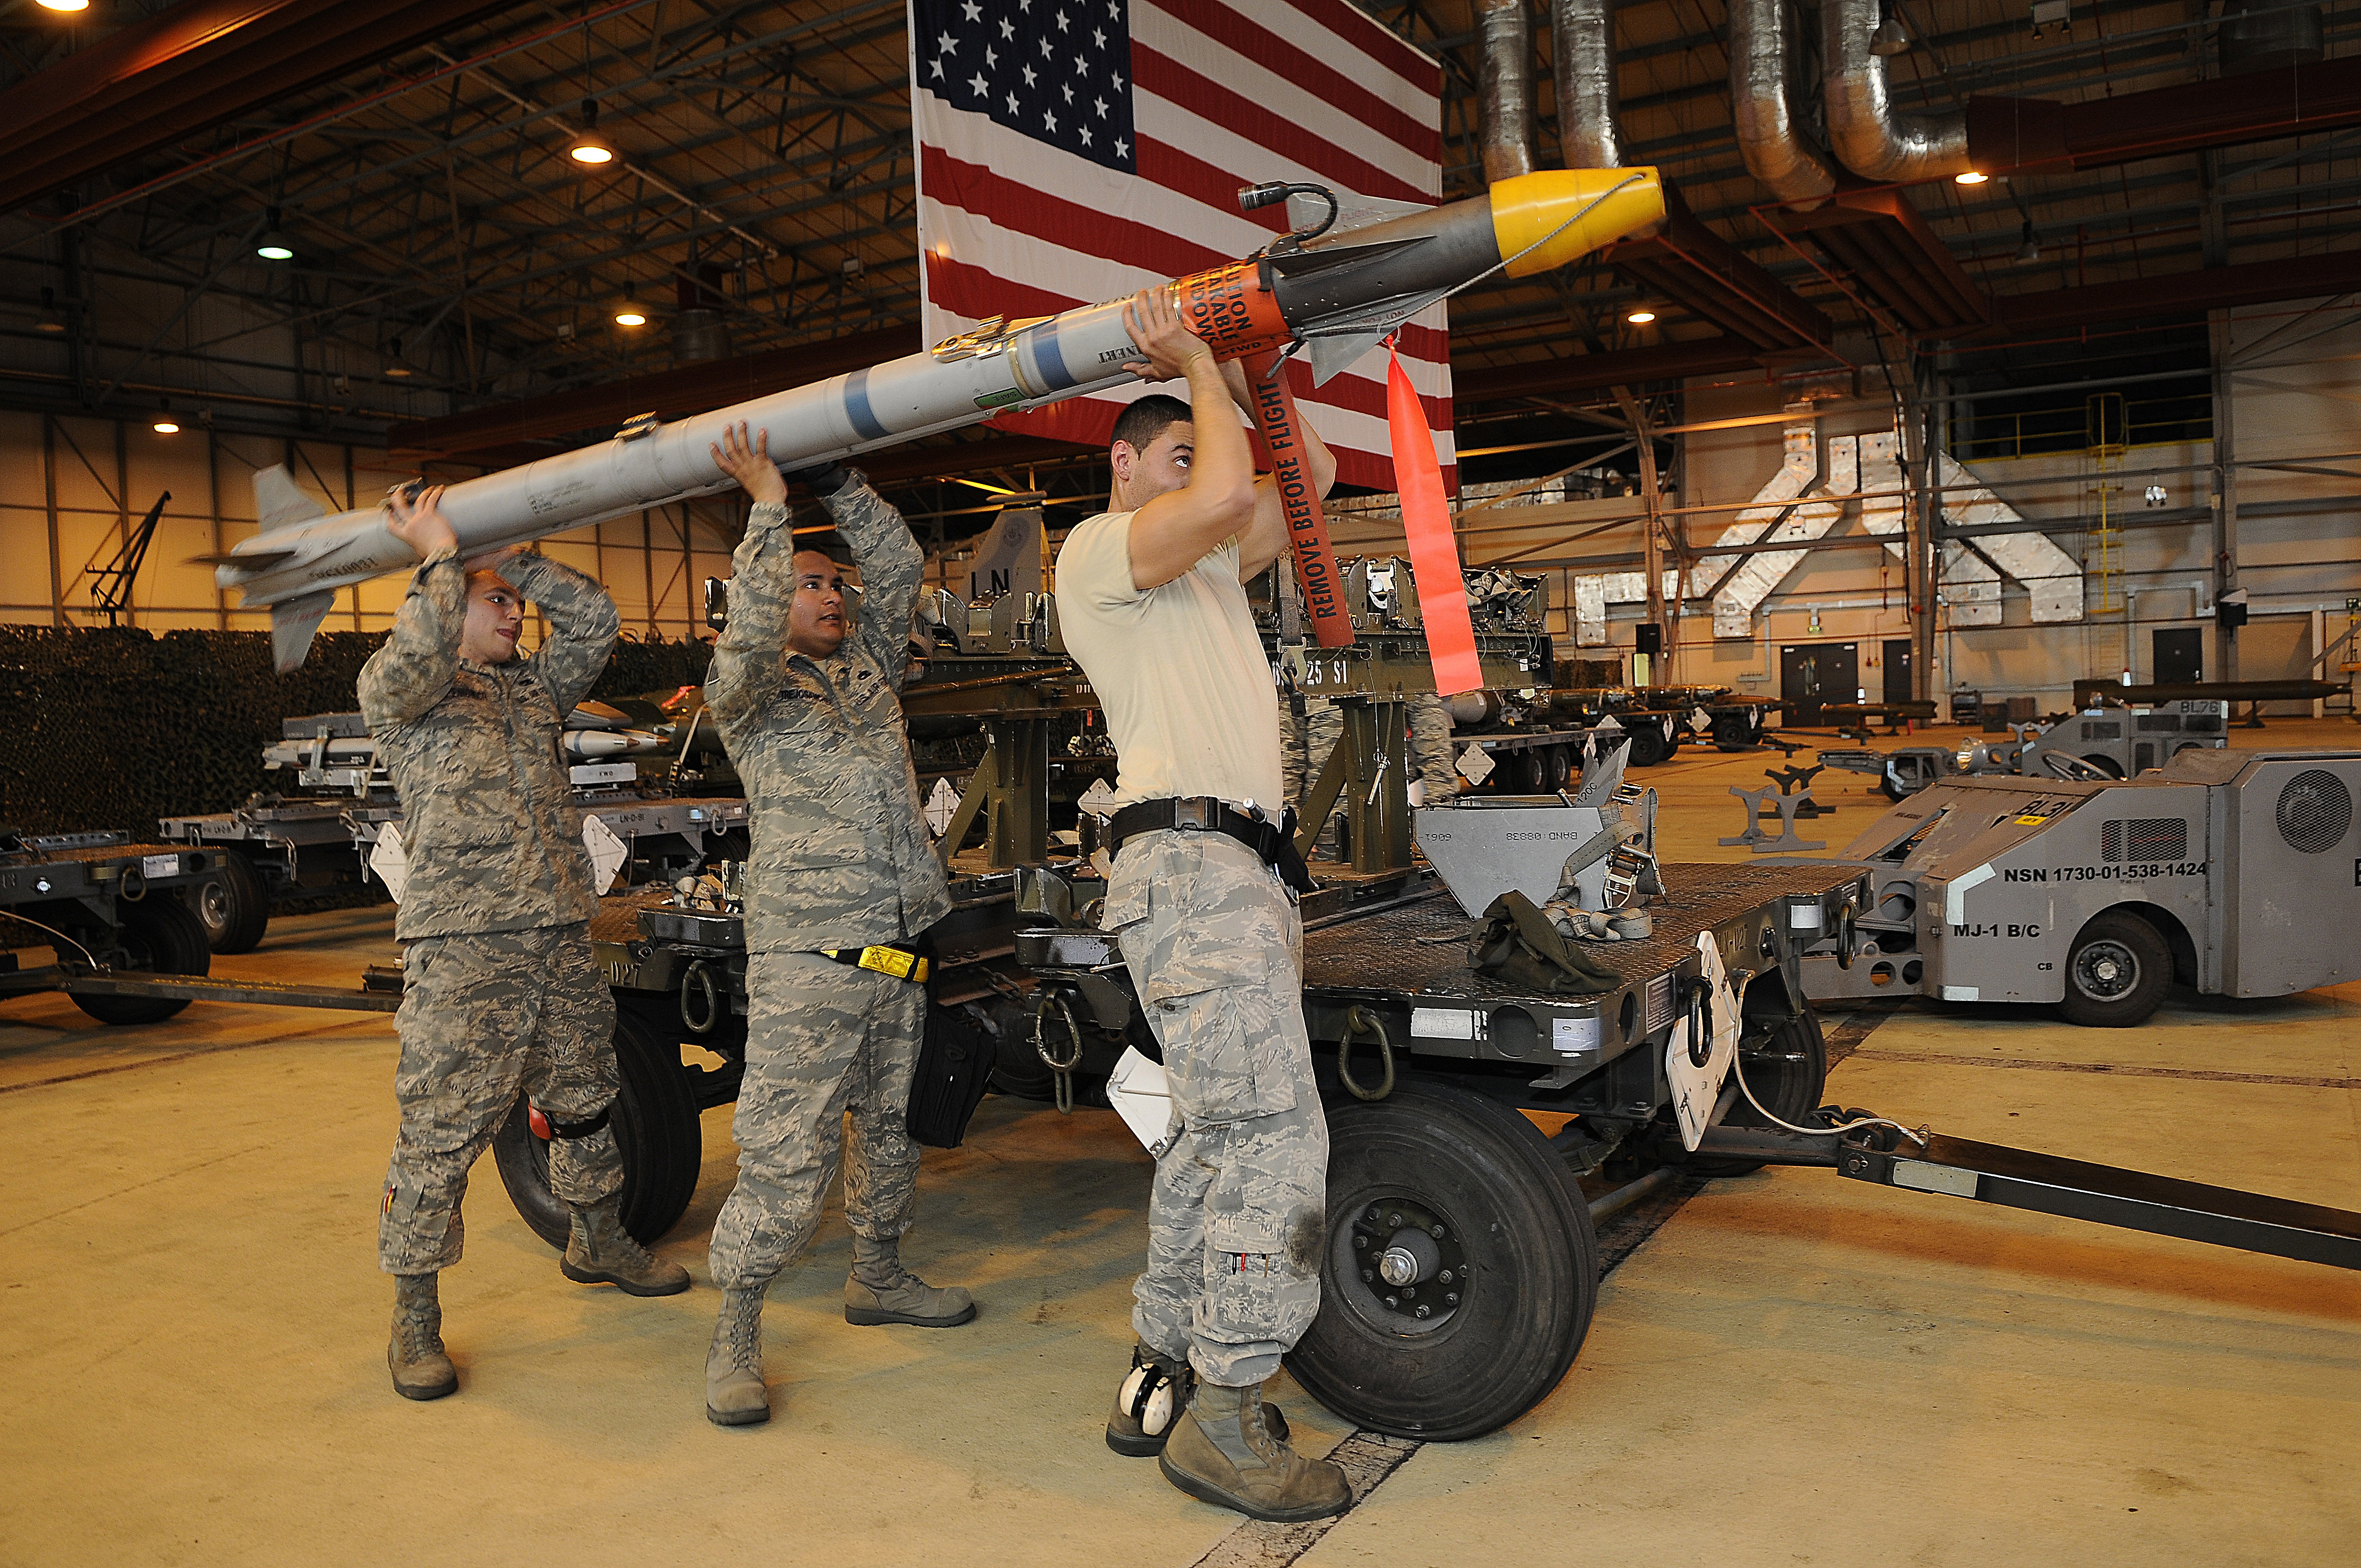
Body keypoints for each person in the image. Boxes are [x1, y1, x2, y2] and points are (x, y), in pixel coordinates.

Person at [1053, 288, 1350, 1523]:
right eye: (1178, 450)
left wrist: (1237, 377)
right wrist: (1189, 359)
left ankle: (1166, 1365)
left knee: (1212, 1139)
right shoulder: (1096, 551)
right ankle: (1228, 1412)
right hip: (1189, 866)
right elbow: (1229, 492)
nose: (1206, 464)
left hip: (1236, 874)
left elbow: (1307, 477)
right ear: (1126, 467)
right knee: (1274, 1140)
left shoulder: (1210, 570)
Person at [363, 486, 688, 1404]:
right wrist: (440, 557)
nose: (514, 614)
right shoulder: (404, 688)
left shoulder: (533, 692)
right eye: (496, 601)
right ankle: (414, 1317)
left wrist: (517, 559)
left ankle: (596, 1237)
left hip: (556, 931)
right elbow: (419, 649)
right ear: (445, 605)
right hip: (465, 945)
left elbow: (595, 621)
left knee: (585, 1096)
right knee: (442, 1129)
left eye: (514, 602)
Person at [699, 423, 973, 1430]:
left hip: (895, 940)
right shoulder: (748, 692)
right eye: (807, 585)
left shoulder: (867, 669)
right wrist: (769, 508)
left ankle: (879, 1274)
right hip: (808, 950)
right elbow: (746, 633)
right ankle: (736, 1331)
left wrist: (838, 481)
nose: (830, 596)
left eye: (832, 585)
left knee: (890, 1125)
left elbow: (895, 563)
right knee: (787, 1150)